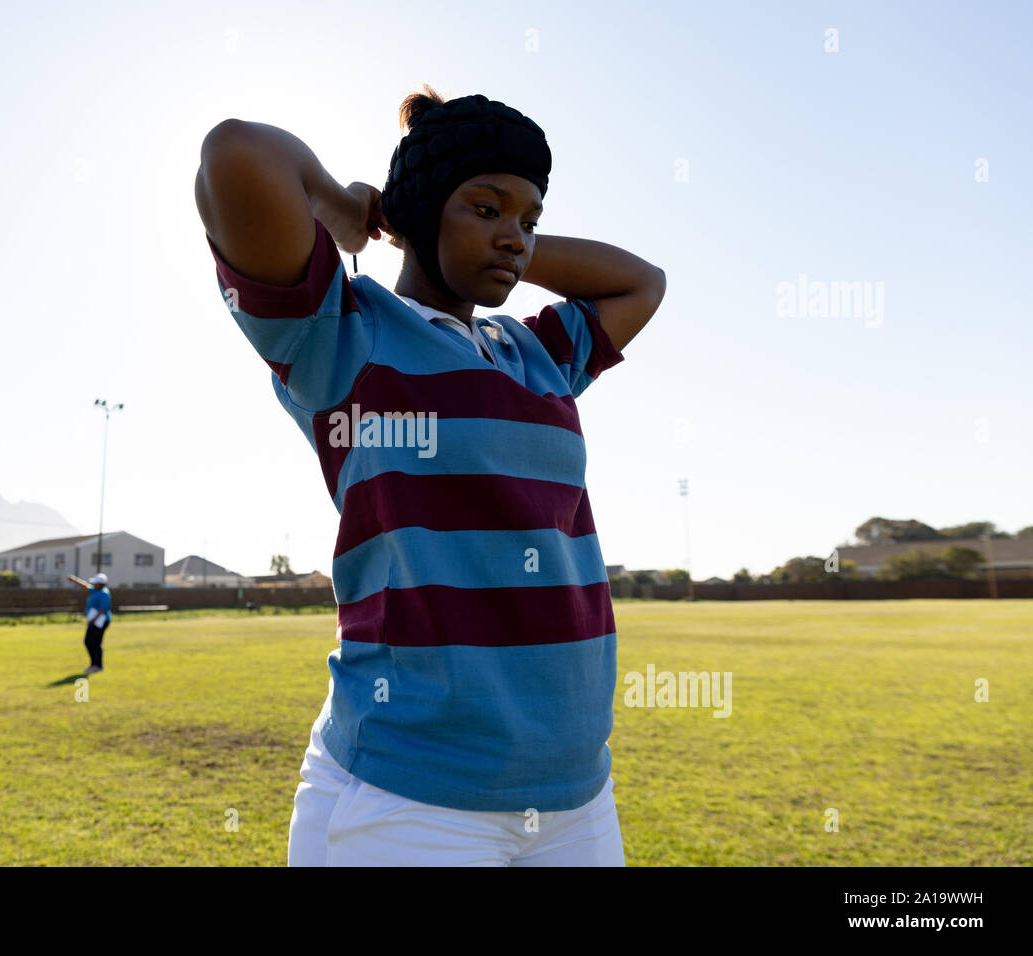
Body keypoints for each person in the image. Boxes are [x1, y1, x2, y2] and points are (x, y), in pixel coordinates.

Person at [195, 87, 666, 866]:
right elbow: (235, 152)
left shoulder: (538, 354)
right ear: (420, 210)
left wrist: (497, 238)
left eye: (530, 218)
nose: (515, 236)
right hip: (407, 803)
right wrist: (349, 209)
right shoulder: (345, 337)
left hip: (577, 797)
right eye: (486, 207)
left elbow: (641, 283)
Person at [67, 572, 113, 673]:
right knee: (88, 642)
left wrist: (94, 620)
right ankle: (93, 664)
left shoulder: (104, 593)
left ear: (100, 584)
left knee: (96, 643)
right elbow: (85, 585)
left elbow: (102, 609)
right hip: (93, 621)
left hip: (100, 621)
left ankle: (98, 666)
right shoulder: (95, 590)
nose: (94, 584)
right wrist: (74, 579)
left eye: (96, 583)